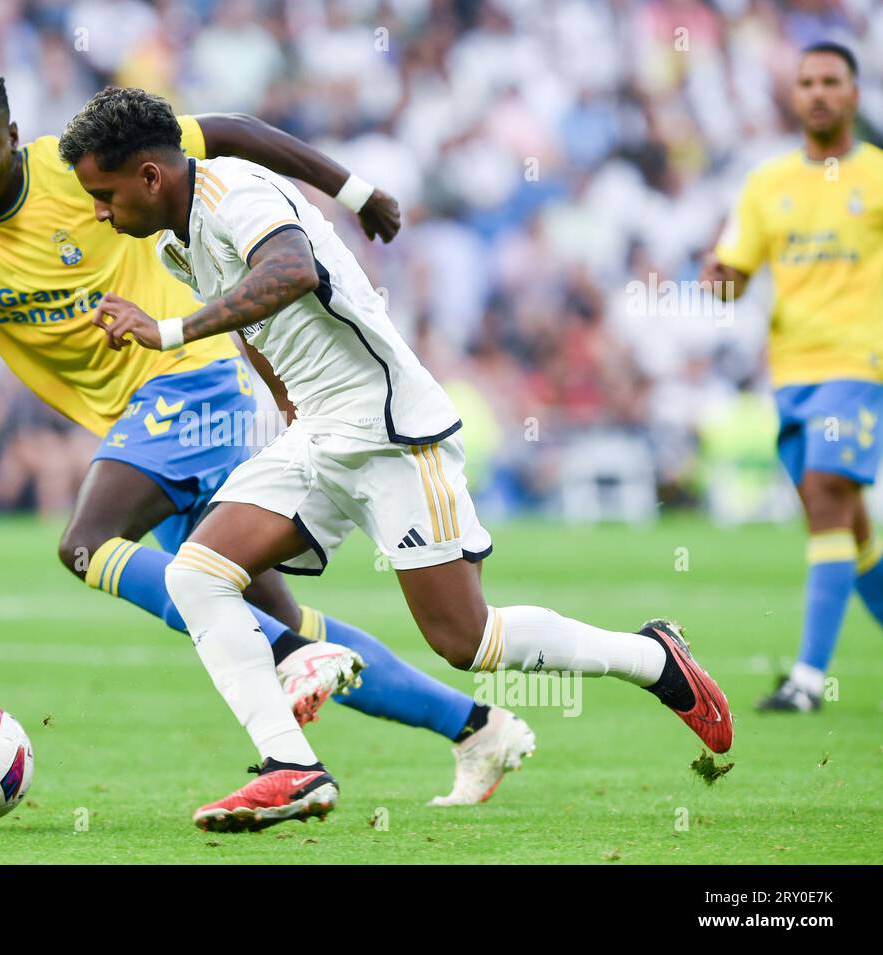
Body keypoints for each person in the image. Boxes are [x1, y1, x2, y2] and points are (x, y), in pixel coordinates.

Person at [0, 66, 536, 806]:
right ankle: (474, 726)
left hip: (188, 379)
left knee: (85, 542)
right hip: (141, 425)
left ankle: (296, 686)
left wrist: (353, 190)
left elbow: (233, 133)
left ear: (12, 136)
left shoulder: (79, 167)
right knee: (260, 616)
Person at [59, 86, 732, 832]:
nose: (98, 211)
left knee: (467, 641)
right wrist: (286, 405)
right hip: (318, 434)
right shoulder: (172, 240)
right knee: (196, 572)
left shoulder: (236, 192)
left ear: (150, 176)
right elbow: (258, 326)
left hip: (391, 432)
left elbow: (290, 272)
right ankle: (292, 767)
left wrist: (169, 329)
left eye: (102, 194)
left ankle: (653, 659)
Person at [702, 42, 883, 712]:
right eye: (806, 82)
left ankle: (807, 681)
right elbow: (733, 275)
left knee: (826, 491)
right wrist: (719, 280)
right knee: (846, 524)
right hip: (793, 372)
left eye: (831, 82)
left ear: (854, 95)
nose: (817, 93)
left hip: (859, 365)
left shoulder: (879, 176)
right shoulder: (766, 184)